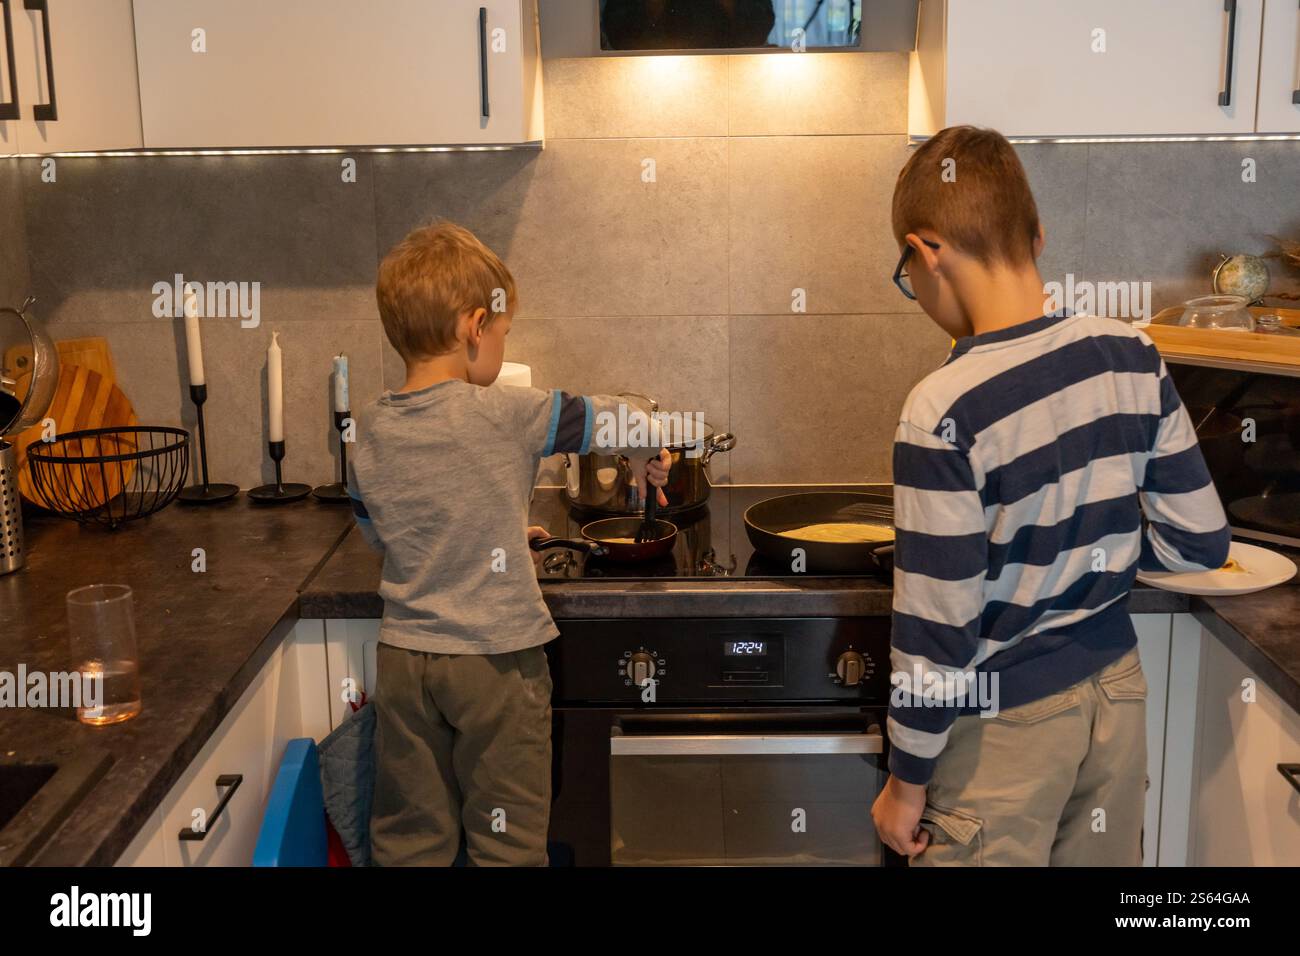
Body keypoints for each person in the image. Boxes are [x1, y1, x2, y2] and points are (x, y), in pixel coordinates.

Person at [871, 126, 1230, 866]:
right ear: (1037, 236)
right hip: (1117, 700)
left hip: (1001, 731)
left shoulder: (942, 408)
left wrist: (905, 782)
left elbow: (938, 629)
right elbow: (1200, 540)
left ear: (926, 250)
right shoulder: (1132, 352)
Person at [348, 221, 670, 865]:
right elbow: (623, 415)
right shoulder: (508, 410)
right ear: (474, 326)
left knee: (411, 841)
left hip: (406, 664)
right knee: (508, 842)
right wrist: (647, 442)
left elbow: (387, 533)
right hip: (496, 662)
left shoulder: (364, 430)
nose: (501, 344)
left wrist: (493, 530)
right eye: (503, 330)